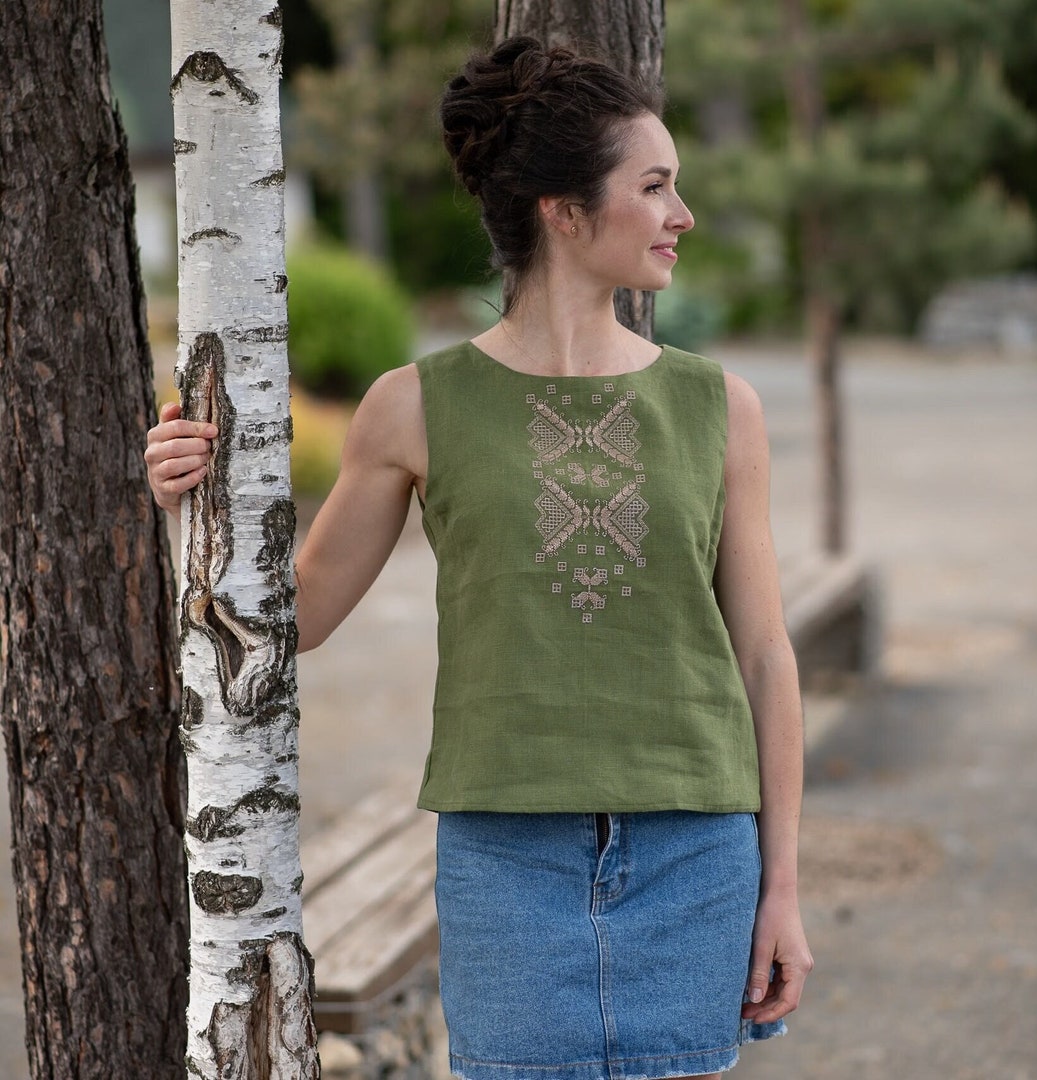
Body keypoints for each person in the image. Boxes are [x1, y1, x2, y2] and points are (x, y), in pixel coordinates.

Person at [146, 35, 812, 1080]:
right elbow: (295, 619)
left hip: (697, 853)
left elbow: (767, 656)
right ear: (565, 211)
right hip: (506, 864)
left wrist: (783, 888)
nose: (682, 214)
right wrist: (190, 512)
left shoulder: (721, 407)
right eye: (654, 186)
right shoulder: (413, 407)